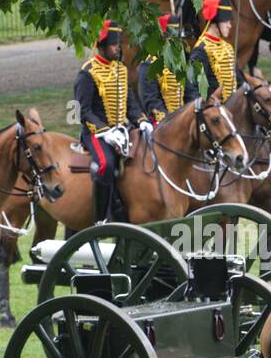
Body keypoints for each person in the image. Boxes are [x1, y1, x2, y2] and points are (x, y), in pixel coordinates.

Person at [74, 20, 146, 222]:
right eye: (114, 45)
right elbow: (84, 112)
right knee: (105, 164)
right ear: (103, 45)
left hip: (122, 130)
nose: (118, 48)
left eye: (119, 44)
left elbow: (130, 102)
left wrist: (141, 120)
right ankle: (101, 217)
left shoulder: (121, 70)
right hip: (96, 133)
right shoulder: (87, 73)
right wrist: (105, 131)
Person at [137, 12, 198, 125]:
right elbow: (151, 101)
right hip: (160, 124)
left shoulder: (180, 63)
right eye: (172, 37)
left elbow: (190, 93)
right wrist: (171, 122)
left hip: (183, 120)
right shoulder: (148, 65)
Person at [188, 0, 240, 99]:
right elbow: (193, 87)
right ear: (215, 23)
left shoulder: (228, 47)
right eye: (226, 22)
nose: (230, 26)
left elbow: (238, 78)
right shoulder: (201, 50)